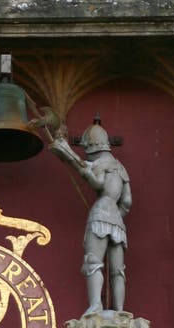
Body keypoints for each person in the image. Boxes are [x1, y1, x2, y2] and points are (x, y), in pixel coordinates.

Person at [50, 117, 131, 314]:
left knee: (93, 262)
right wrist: (115, 215)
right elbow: (127, 202)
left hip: (101, 212)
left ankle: (96, 305)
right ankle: (119, 310)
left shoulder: (101, 163)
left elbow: (97, 183)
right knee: (118, 270)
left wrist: (71, 159)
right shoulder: (121, 168)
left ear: (91, 146)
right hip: (117, 220)